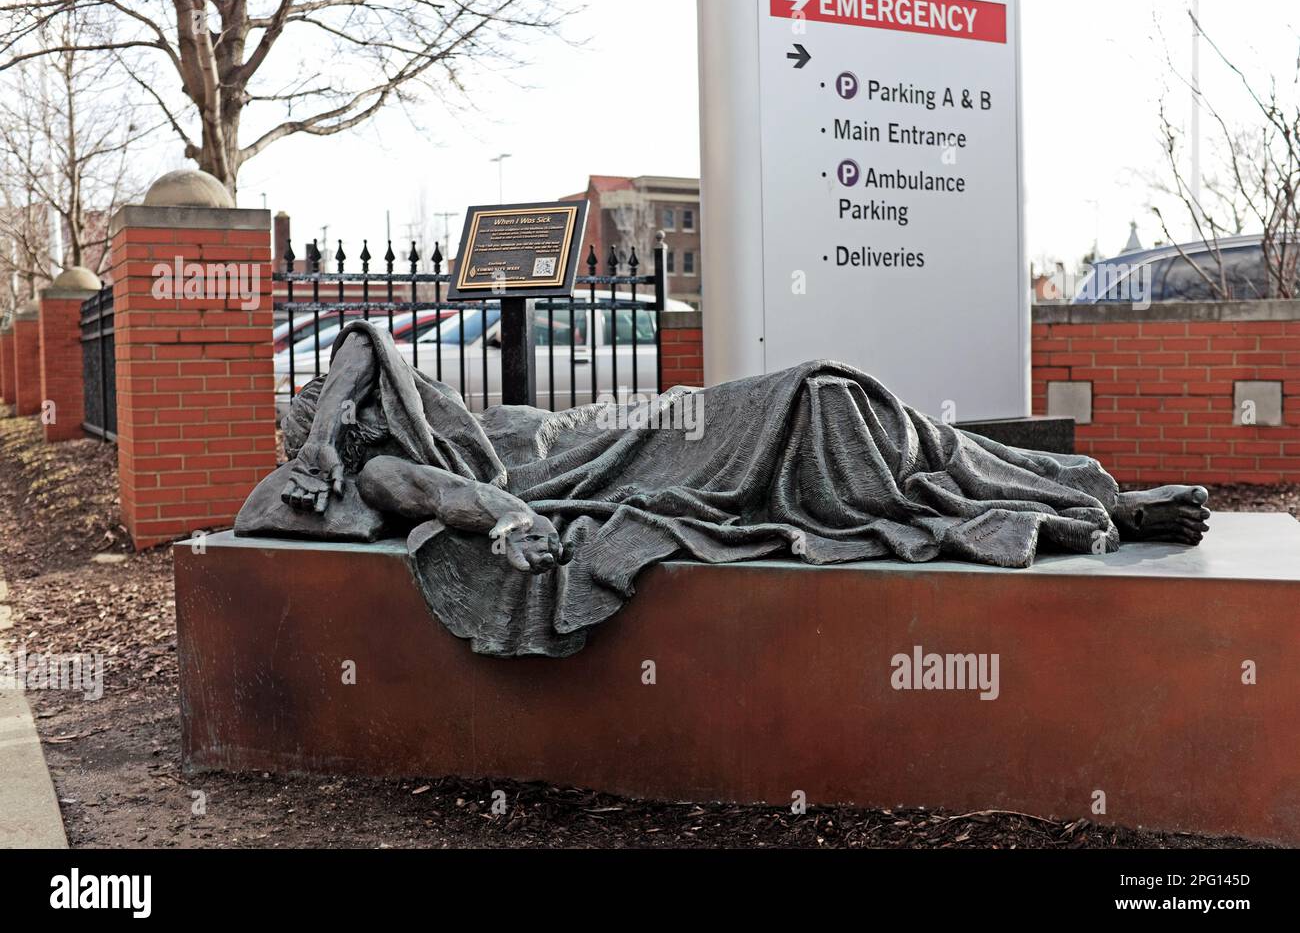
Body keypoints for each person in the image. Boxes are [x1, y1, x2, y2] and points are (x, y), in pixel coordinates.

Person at [236, 321, 1211, 657]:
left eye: (318, 404)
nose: (322, 398)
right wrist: (516, 519)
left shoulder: (366, 412)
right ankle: (1077, 501)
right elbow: (468, 503)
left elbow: (361, 341)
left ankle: (1084, 491)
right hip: (617, 466)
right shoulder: (377, 465)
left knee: (840, 399)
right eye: (311, 412)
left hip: (635, 428)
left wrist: (318, 431)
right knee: (828, 400)